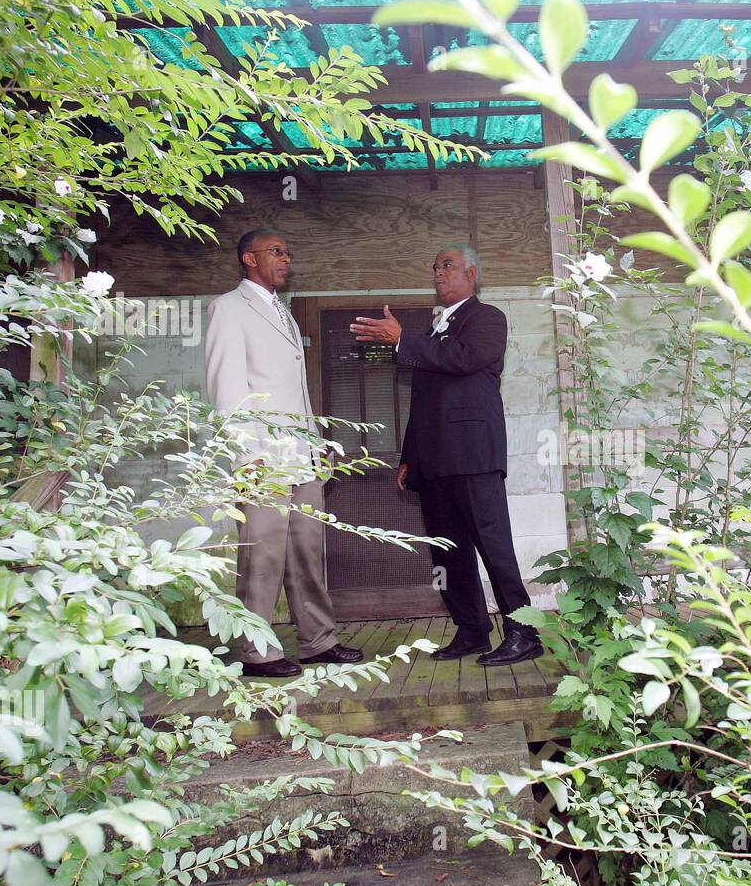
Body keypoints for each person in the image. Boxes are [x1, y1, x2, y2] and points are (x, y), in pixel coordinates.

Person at [348, 245, 542, 667]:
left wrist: (403, 339)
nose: (439, 271)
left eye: (447, 265)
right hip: (435, 464)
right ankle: (472, 630)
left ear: (472, 274)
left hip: (474, 457)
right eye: (435, 266)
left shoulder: (487, 318)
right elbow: (423, 403)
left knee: (493, 545)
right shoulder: (433, 331)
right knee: (448, 552)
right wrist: (409, 457)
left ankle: (524, 632)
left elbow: (464, 360)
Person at [204, 229, 363, 678]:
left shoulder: (285, 313)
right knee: (263, 555)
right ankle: (255, 652)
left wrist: (316, 447)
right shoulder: (228, 309)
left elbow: (298, 392)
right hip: (261, 457)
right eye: (276, 252)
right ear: (249, 258)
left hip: (301, 454)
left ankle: (317, 641)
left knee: (307, 549)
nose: (286, 259)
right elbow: (227, 389)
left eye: (288, 253)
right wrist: (245, 457)